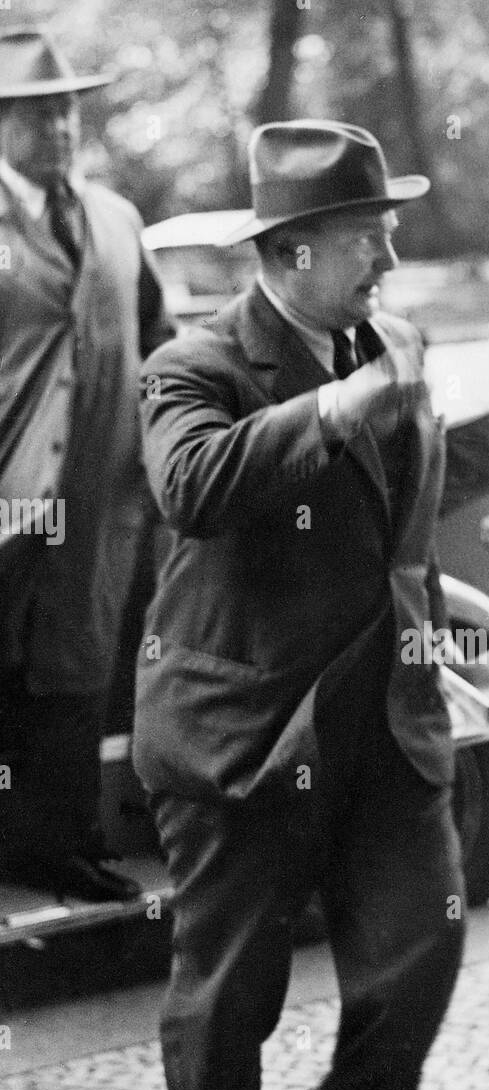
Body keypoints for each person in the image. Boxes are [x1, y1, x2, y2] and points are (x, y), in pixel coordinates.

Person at [134, 120, 465, 1090]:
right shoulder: (193, 367)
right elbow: (194, 484)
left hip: (384, 720)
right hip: (248, 729)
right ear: (290, 254)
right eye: (365, 240)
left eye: (386, 235)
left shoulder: (386, 347)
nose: (385, 262)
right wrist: (342, 407)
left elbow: (402, 535)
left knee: (422, 939)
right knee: (231, 979)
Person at [0, 27, 174, 901]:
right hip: (6, 495)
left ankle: (61, 846)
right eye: (36, 116)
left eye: (66, 111)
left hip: (99, 493)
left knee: (76, 660)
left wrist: (159, 456)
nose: (59, 130)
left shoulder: (116, 220)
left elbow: (161, 340)